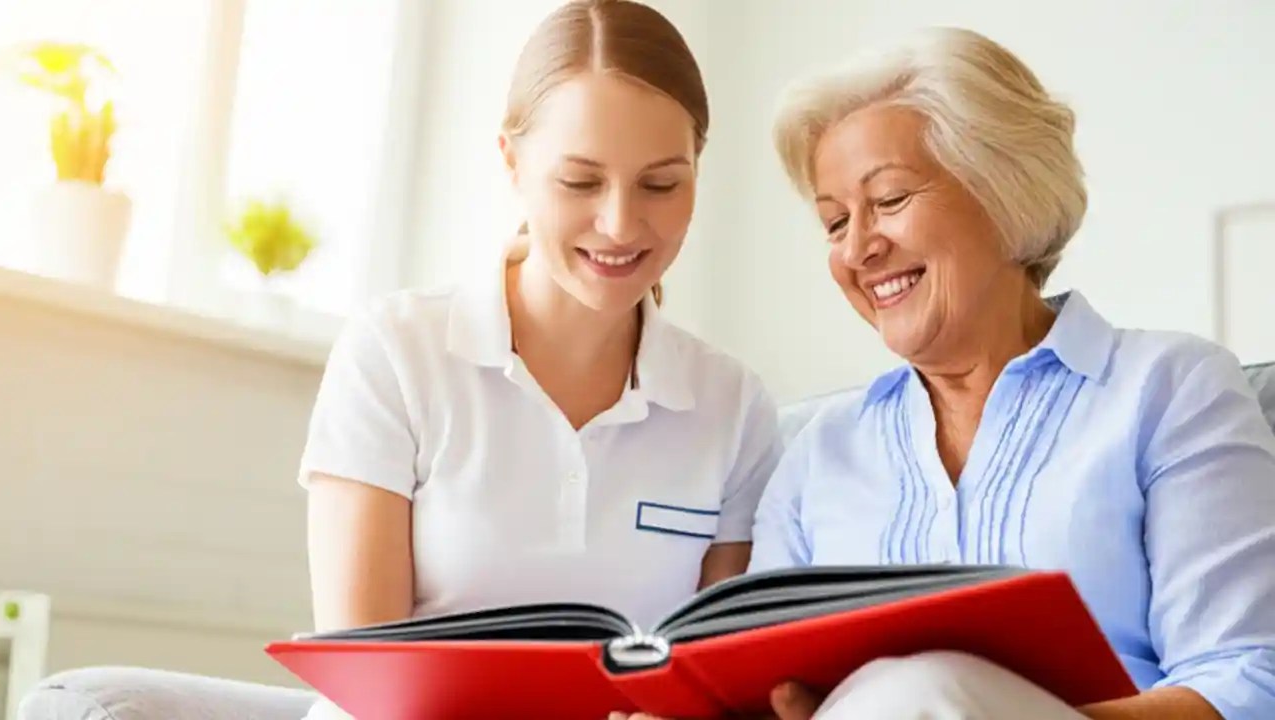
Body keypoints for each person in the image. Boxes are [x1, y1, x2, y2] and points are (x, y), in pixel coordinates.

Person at [614, 25, 1275, 720]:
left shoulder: (1169, 389)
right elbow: (759, 692)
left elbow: (1248, 678)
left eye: (889, 201)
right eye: (835, 223)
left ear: (1003, 190)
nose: (858, 249)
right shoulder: (816, 456)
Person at [298, 0, 782, 717]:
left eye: (660, 184)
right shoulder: (394, 354)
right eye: (580, 182)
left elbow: (714, 689)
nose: (619, 223)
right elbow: (367, 683)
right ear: (512, 163)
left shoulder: (732, 408)